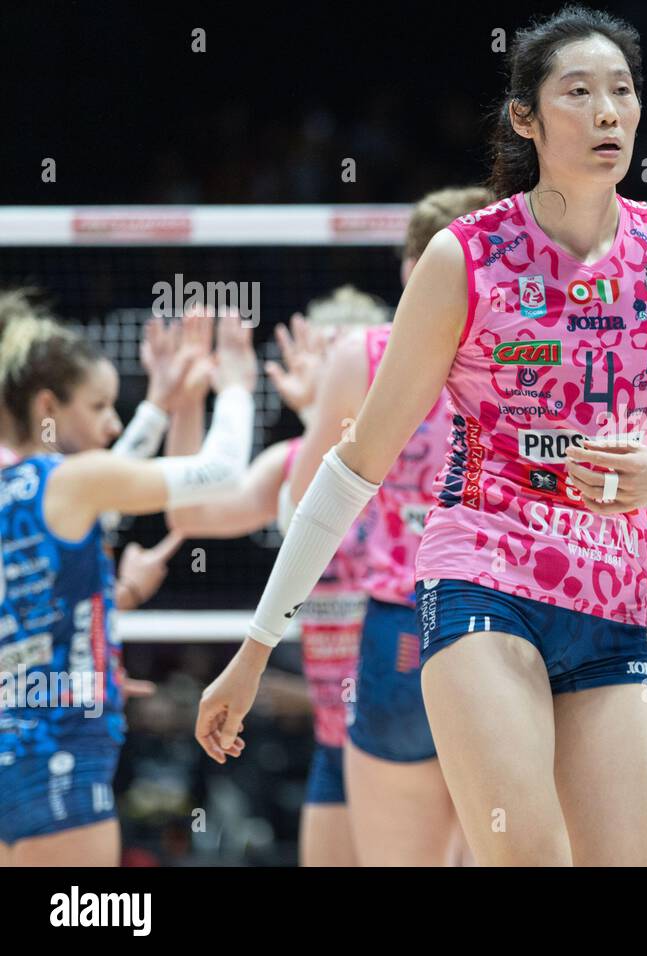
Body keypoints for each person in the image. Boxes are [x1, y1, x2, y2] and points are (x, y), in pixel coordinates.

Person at [196, 5, 647, 866]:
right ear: (525, 117)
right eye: (577, 92)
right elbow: (355, 467)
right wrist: (254, 649)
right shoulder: (462, 257)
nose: (607, 112)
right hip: (483, 574)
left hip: (613, 598)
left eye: (622, 91)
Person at [0, 309, 256, 866]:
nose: (112, 424)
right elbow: (220, 472)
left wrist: (100, 645)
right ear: (47, 408)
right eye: (97, 407)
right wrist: (237, 386)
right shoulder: (70, 482)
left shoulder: (24, 489)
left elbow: (33, 618)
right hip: (59, 752)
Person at [280, 191, 487, 867]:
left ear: (410, 268)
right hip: (511, 623)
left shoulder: (365, 354)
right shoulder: (537, 354)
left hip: (403, 624)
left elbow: (302, 501)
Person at [166, 290, 386, 865]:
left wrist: (321, 417)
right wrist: (189, 402)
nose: (326, 369)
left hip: (411, 722)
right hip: (334, 736)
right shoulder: (294, 462)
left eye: (341, 357)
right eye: (322, 353)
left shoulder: (414, 456)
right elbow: (189, 513)